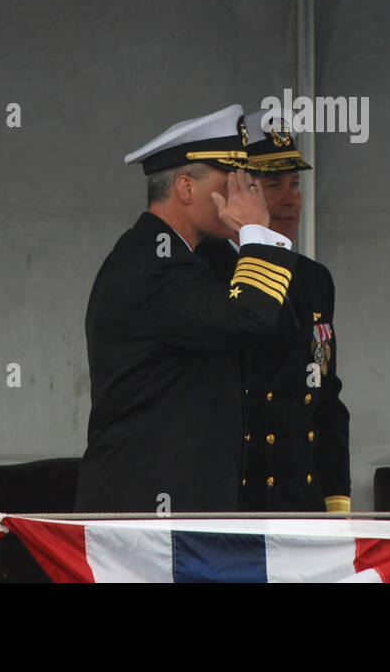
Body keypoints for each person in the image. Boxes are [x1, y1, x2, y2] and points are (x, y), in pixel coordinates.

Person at [74, 104, 297, 514]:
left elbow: (283, 331)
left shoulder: (195, 258)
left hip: (187, 504)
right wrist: (257, 234)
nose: (247, 194)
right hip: (146, 506)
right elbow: (249, 318)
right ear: (186, 189)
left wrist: (245, 239)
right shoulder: (153, 264)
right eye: (234, 180)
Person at [197, 109, 352, 512]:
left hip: (299, 496)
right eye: (272, 184)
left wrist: (336, 501)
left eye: (295, 184)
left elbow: (326, 396)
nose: (290, 199)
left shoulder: (313, 278)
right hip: (233, 499)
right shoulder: (203, 271)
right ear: (237, 194)